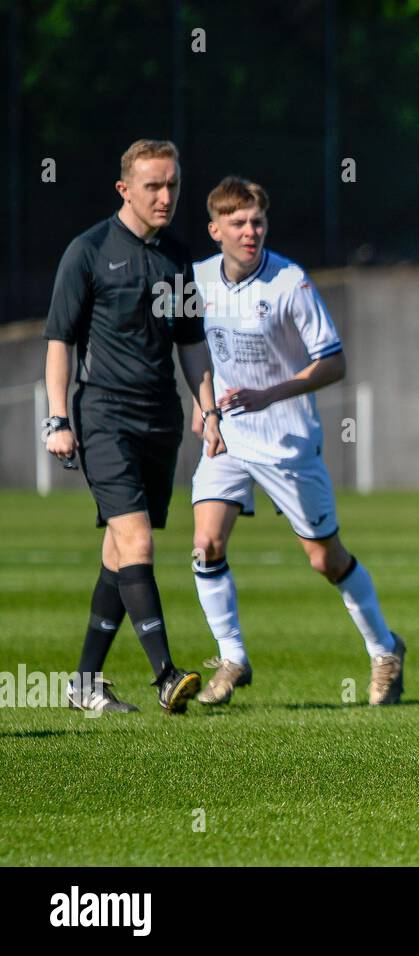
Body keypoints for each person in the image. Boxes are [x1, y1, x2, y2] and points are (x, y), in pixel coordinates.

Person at [187, 176, 405, 706]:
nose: (249, 231)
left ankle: (385, 649)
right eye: (237, 222)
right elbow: (194, 352)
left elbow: (334, 362)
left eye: (257, 221)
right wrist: (206, 408)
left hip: (287, 441)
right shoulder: (194, 281)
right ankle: (232, 657)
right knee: (206, 544)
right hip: (229, 439)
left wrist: (271, 394)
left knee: (324, 560)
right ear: (215, 229)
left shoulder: (290, 282)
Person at [44, 138, 223, 715]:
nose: (166, 195)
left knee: (121, 554)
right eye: (153, 186)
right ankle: (166, 675)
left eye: (172, 184)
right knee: (138, 541)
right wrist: (58, 419)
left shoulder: (177, 256)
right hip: (104, 418)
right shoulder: (88, 251)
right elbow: (59, 342)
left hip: (160, 421)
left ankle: (83, 685)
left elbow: (192, 345)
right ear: (125, 189)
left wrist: (209, 409)